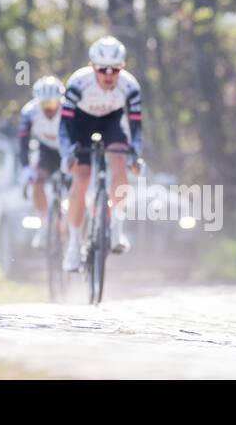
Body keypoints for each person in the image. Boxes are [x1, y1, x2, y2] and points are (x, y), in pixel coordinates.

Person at [58, 36, 144, 271]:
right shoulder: (78, 83)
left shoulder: (130, 86)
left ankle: (116, 224)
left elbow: (136, 127)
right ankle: (74, 246)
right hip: (80, 124)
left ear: (122, 67)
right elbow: (63, 125)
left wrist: (136, 155)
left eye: (114, 70)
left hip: (111, 123)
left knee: (119, 160)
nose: (108, 75)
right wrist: (67, 153)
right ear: (91, 67)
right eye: (102, 69)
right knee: (82, 177)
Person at [19, 76, 64, 223]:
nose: (49, 108)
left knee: (78, 181)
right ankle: (44, 221)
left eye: (52, 103)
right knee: (37, 180)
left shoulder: (69, 109)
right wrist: (26, 167)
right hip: (46, 150)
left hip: (67, 149)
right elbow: (23, 141)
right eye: (45, 103)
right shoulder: (29, 111)